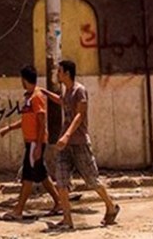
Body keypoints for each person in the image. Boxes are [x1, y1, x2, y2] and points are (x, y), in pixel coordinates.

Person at [43, 59, 120, 229]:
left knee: (92, 180)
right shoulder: (67, 91)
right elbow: (61, 100)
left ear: (67, 73)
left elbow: (79, 115)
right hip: (65, 145)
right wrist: (45, 93)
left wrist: (67, 135)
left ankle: (111, 206)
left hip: (79, 143)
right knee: (61, 181)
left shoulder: (80, 91)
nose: (58, 74)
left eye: (60, 71)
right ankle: (67, 220)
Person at [0, 64, 61, 221]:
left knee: (27, 176)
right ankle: (59, 202)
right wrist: (9, 128)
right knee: (42, 174)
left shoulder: (36, 97)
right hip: (32, 142)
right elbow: (27, 120)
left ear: (24, 79)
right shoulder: (29, 97)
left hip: (34, 143)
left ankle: (18, 210)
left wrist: (38, 145)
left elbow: (41, 121)